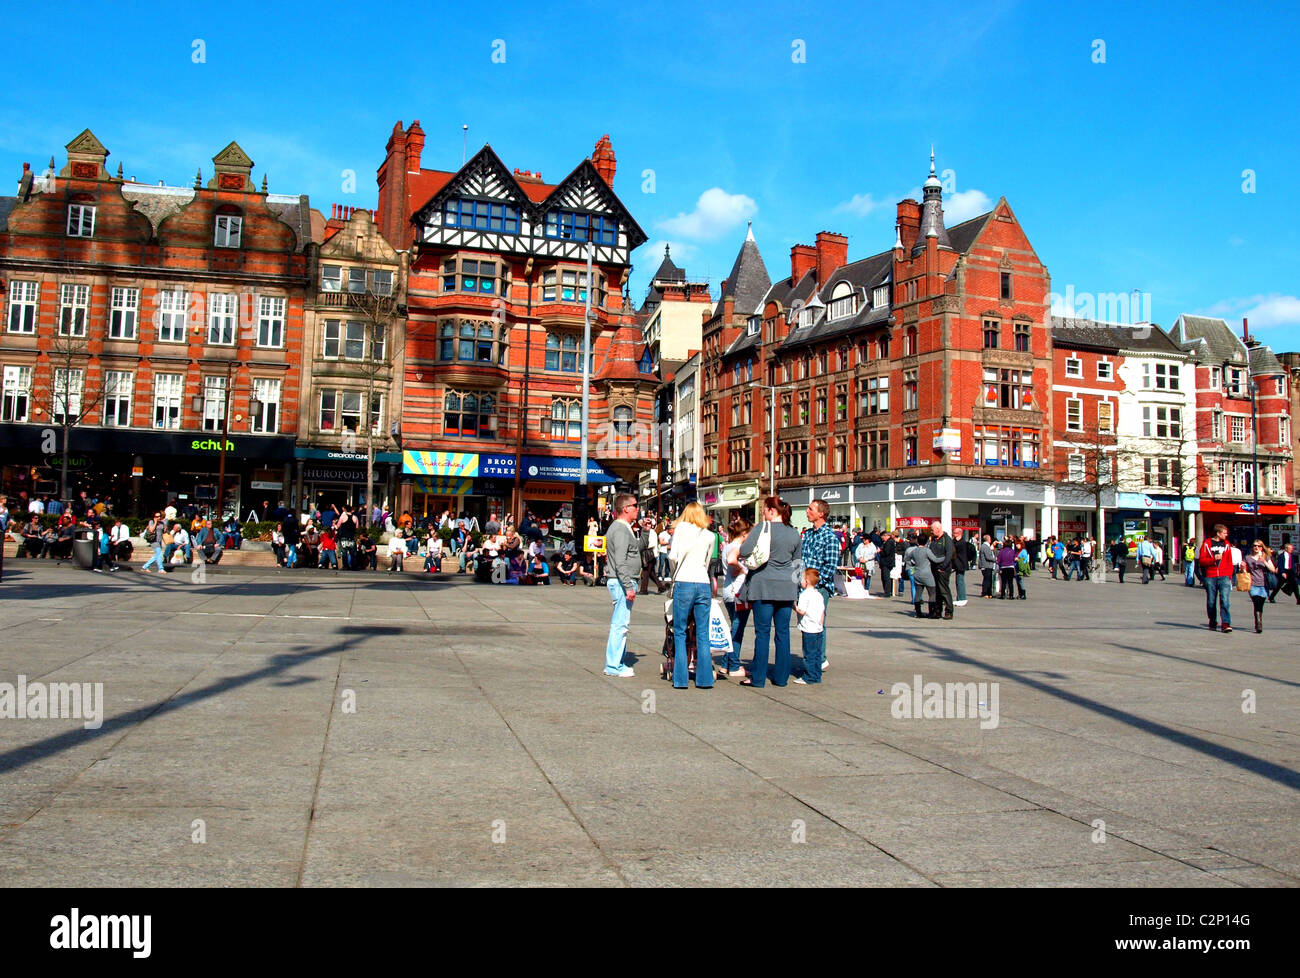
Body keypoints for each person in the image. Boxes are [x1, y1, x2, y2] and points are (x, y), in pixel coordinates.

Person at [738, 497, 801, 688]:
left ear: (772, 511)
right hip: (786, 589)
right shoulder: (794, 533)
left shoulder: (761, 528)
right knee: (783, 633)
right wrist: (796, 593)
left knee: (763, 633)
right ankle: (781, 678)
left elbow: (744, 550)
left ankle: (758, 678)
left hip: (763, 585)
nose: (763, 513)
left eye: (765, 510)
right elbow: (798, 564)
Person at [667, 501, 716, 690]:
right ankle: (704, 679)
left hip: (684, 581)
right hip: (702, 583)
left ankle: (680, 679)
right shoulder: (710, 536)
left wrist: (674, 574)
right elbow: (707, 561)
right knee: (702, 633)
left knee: (679, 631)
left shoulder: (680, 530)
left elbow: (672, 557)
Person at [603, 493, 642, 678]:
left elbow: (635, 549)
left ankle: (617, 662)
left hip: (620, 581)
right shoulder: (620, 529)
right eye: (635, 505)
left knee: (621, 623)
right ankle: (613, 666)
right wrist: (628, 586)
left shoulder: (624, 528)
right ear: (626, 508)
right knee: (620, 624)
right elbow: (620, 561)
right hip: (621, 582)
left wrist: (647, 530)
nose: (638, 508)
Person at [801, 500, 840, 665]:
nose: (807, 511)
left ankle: (819, 659)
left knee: (817, 624)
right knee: (805, 624)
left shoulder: (830, 537)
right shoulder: (808, 534)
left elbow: (830, 567)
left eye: (811, 509)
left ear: (821, 514)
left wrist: (813, 584)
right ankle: (809, 658)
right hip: (804, 586)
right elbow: (801, 559)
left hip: (819, 588)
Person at [720, 518, 751, 680]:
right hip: (737, 592)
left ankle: (726, 664)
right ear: (744, 534)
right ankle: (733, 665)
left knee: (735, 627)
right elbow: (732, 562)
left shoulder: (727, 547)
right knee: (737, 630)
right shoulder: (738, 547)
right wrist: (742, 568)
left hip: (728, 591)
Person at [793, 567, 826, 685]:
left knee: (808, 654)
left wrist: (794, 606)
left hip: (808, 628)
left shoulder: (804, 595)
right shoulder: (818, 595)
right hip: (818, 628)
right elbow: (823, 611)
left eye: (801, 579)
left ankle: (809, 676)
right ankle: (817, 675)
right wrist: (820, 624)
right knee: (817, 653)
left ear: (806, 581)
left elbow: (801, 611)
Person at [1198, 524, 1234, 632]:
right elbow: (1202, 561)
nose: (1226, 535)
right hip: (1211, 576)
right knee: (1211, 601)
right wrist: (1213, 559)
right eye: (1224, 533)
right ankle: (1212, 621)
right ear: (1218, 533)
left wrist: (1229, 576)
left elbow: (1229, 561)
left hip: (1224, 576)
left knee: (1225, 600)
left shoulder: (1227, 544)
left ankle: (1225, 623)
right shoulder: (1207, 544)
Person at [1242, 541, 1277, 633]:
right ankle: (1259, 624)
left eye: (1259, 546)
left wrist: (1264, 561)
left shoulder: (1266, 556)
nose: (1256, 547)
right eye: (1254, 546)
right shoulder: (1248, 558)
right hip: (1253, 584)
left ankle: (1258, 621)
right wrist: (1242, 567)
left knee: (1260, 605)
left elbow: (1273, 569)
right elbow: (1244, 570)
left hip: (1264, 584)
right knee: (1256, 602)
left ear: (1262, 547)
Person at [904, 532, 940, 617]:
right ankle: (931, 612)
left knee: (918, 593)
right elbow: (935, 560)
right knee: (932, 593)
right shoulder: (927, 550)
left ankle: (918, 612)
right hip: (927, 574)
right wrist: (945, 558)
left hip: (917, 573)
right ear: (927, 541)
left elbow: (906, 559)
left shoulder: (914, 551)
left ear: (917, 541)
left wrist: (913, 564)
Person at [927, 520, 956, 618]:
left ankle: (949, 611)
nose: (931, 531)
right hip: (934, 568)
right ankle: (937, 610)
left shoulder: (946, 539)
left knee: (944, 590)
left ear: (938, 529)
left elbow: (949, 554)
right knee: (936, 590)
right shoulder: (934, 539)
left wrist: (943, 566)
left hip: (943, 569)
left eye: (932, 529)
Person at [951, 526, 974, 607]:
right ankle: (960, 597)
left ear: (960, 533)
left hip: (960, 564)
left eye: (955, 533)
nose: (953, 534)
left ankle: (962, 598)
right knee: (958, 581)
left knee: (960, 581)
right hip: (958, 563)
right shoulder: (957, 541)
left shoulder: (961, 543)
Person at [878, 531, 898, 597]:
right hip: (887, 562)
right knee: (886, 577)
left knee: (886, 577)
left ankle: (887, 592)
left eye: (883, 537)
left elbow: (886, 552)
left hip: (887, 562)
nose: (882, 538)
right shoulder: (889, 542)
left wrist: (880, 551)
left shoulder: (889, 542)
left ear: (886, 536)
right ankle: (888, 591)